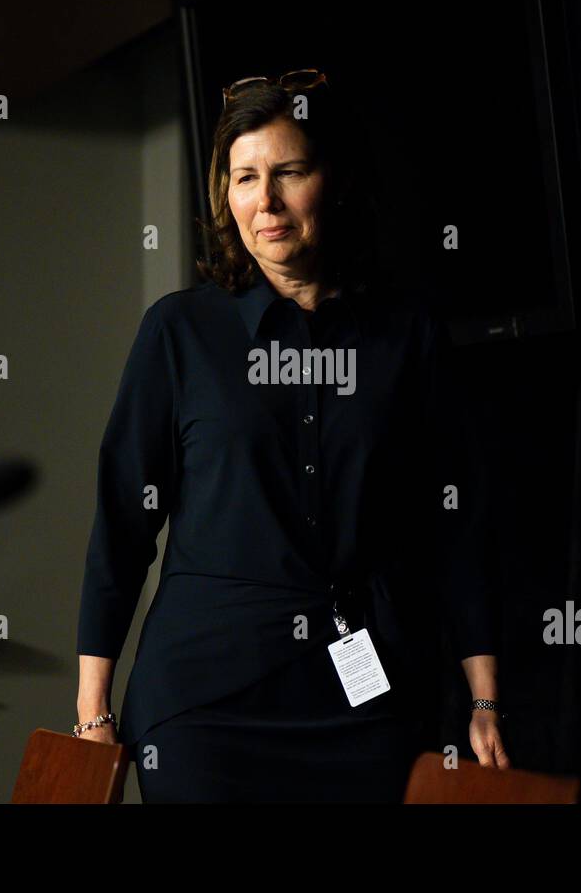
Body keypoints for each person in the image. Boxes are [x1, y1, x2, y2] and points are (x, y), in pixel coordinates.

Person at [73, 69, 508, 802]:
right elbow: (123, 521)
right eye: (244, 178)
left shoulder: (409, 336)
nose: (265, 202)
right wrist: (93, 711)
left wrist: (484, 696)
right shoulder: (178, 333)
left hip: (368, 702)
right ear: (225, 195)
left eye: (288, 173)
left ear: (331, 182)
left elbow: (453, 523)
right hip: (204, 706)